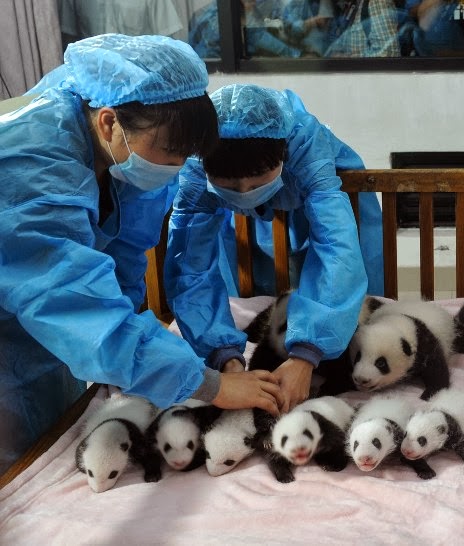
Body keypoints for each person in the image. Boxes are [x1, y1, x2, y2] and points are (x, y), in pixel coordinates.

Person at [0, 34, 283, 475]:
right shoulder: (30, 162)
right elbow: (74, 303)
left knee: (48, 435)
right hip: (25, 324)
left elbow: (124, 258)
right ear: (109, 122)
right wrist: (210, 386)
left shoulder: (126, 152)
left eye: (185, 156)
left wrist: (138, 356)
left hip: (39, 330)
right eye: (171, 154)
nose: (175, 168)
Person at [165, 84, 384, 412]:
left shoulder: (305, 142)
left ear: (283, 154)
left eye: (256, 182)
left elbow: (337, 248)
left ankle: (322, 343)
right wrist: (225, 360)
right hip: (258, 211)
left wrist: (306, 356)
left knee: (355, 293)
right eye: (229, 185)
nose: (244, 192)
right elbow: (189, 266)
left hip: (326, 195)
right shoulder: (196, 163)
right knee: (256, 282)